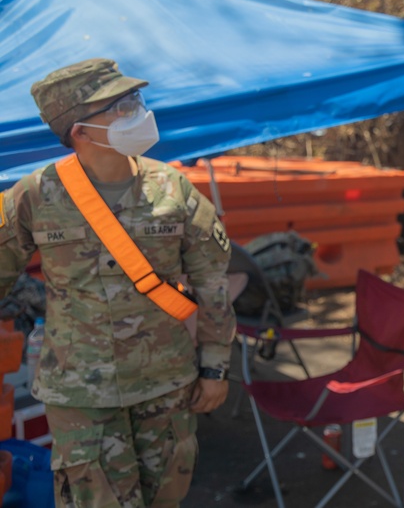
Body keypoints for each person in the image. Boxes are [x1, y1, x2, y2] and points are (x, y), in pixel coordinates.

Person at [0, 58, 236, 507]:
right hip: (81, 394)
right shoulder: (34, 195)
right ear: (81, 132)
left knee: (166, 498)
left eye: (136, 99)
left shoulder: (173, 189)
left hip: (166, 383)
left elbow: (213, 283)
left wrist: (215, 367)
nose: (138, 112)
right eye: (121, 106)